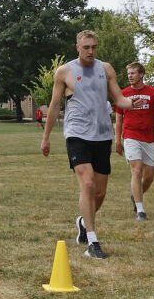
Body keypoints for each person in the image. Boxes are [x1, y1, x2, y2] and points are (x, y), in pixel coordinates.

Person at [40, 30, 139, 259]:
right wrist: (46, 137)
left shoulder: (106, 69)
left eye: (94, 47)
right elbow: (55, 105)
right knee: (87, 183)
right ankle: (93, 242)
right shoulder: (64, 71)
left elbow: (119, 99)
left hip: (102, 135)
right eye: (86, 47)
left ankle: (84, 222)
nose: (90, 51)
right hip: (77, 134)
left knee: (100, 192)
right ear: (77, 47)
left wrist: (132, 102)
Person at [114, 62, 154, 222]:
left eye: (133, 73)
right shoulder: (123, 93)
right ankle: (140, 210)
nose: (130, 76)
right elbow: (119, 119)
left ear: (141, 74)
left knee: (149, 176)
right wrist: (117, 140)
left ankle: (136, 195)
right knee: (137, 170)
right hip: (130, 135)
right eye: (129, 73)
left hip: (148, 138)